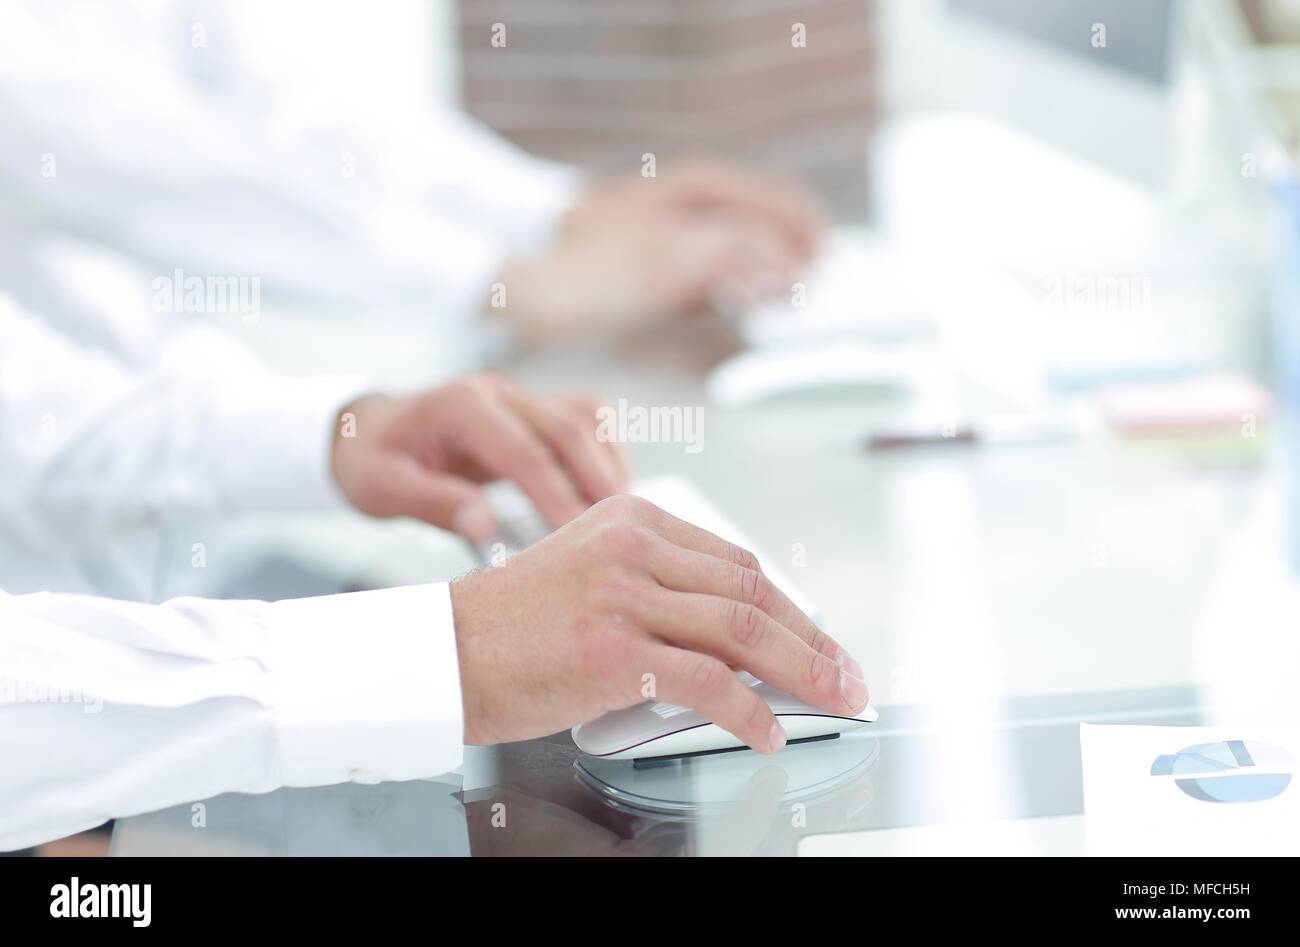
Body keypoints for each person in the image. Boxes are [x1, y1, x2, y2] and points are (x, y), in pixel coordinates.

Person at [0, 1, 823, 350]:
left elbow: (285, 105)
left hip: (182, 533)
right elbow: (128, 159)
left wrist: (557, 213)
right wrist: (503, 282)